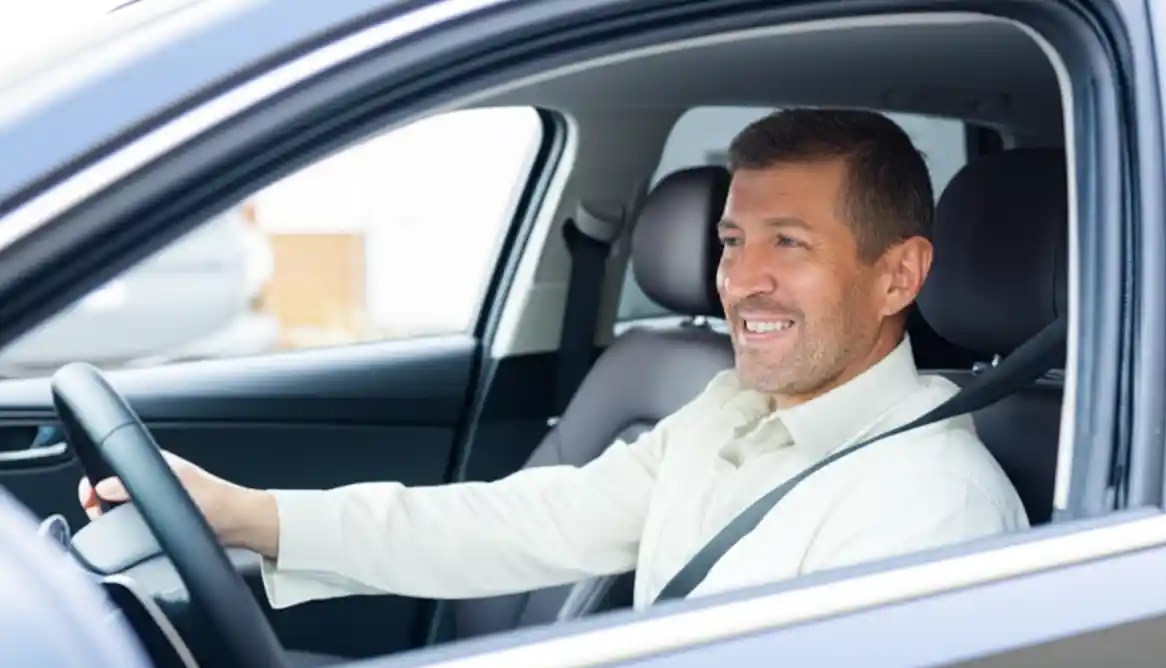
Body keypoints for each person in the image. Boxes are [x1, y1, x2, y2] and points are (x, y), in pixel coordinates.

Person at [79, 109, 1028, 609]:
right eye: (734, 242)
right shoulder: (728, 409)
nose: (742, 282)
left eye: (790, 243)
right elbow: (521, 520)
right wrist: (247, 516)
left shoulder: (929, 508)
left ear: (898, 274)